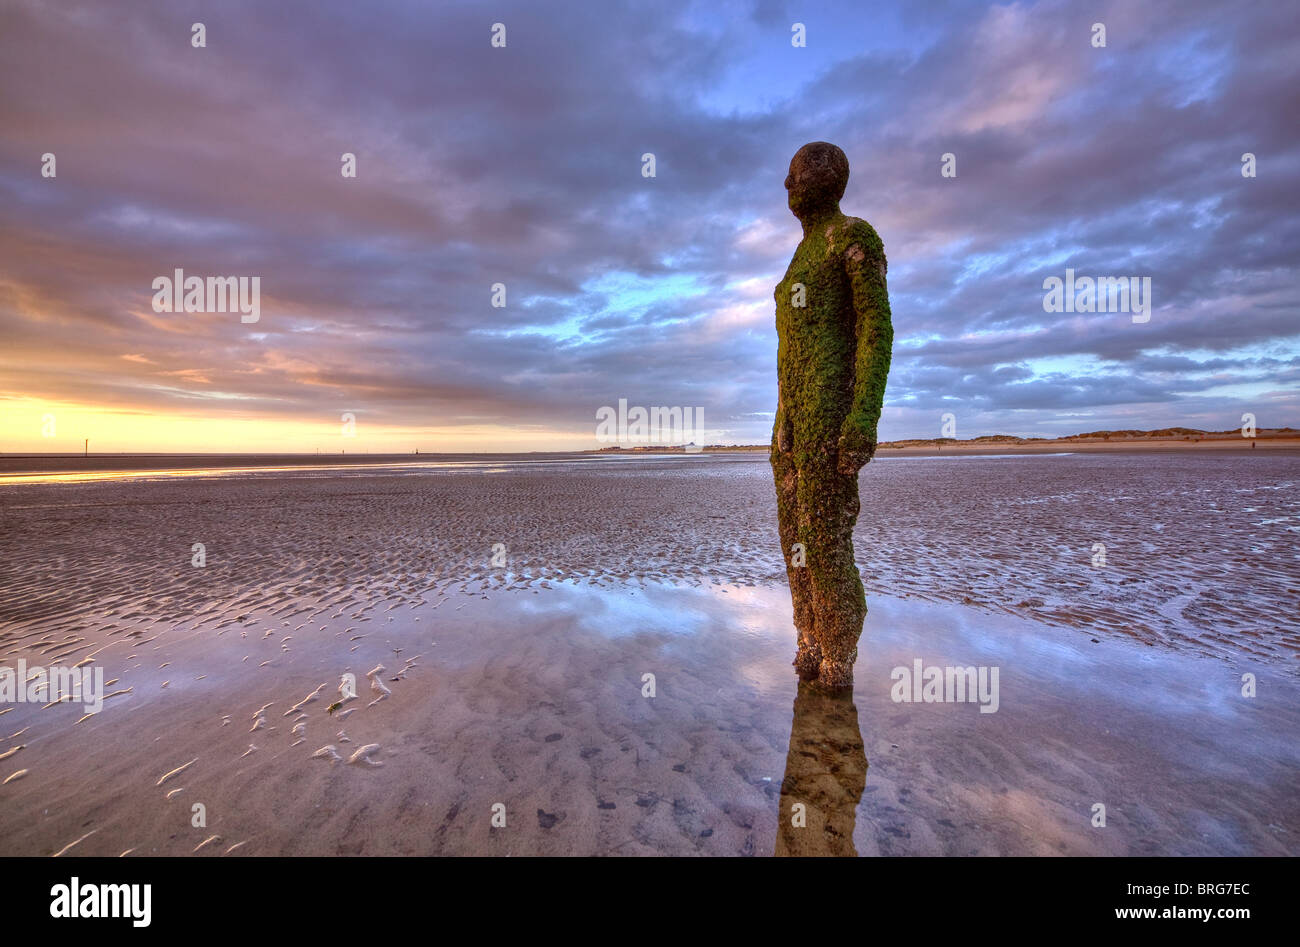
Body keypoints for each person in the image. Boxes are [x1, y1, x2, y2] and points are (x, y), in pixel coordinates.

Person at [771, 142, 893, 689]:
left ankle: (838, 658)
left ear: (826, 179)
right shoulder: (798, 258)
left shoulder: (852, 237)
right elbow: (787, 352)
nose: (786, 183)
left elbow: (877, 330)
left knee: (825, 538)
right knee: (794, 535)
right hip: (790, 426)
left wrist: (863, 417)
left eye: (795, 173)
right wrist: (780, 421)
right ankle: (809, 640)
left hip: (830, 417)